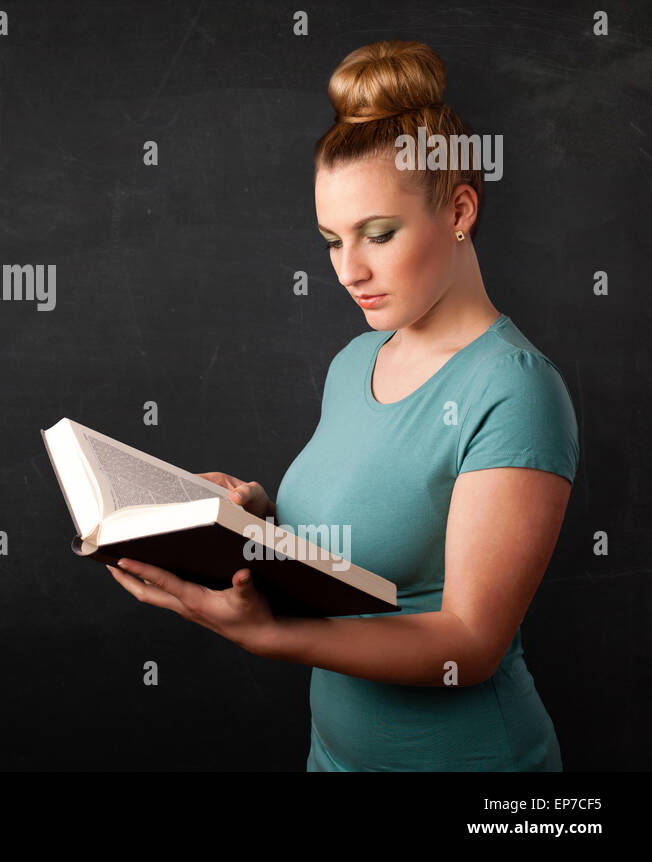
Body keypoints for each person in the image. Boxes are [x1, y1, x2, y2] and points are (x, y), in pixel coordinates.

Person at [106, 39, 578, 771]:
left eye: (379, 235)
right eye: (332, 242)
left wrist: (267, 635)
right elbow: (357, 554)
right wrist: (252, 521)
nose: (350, 270)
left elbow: (470, 644)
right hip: (333, 758)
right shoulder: (358, 359)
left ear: (459, 209)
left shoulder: (514, 390)